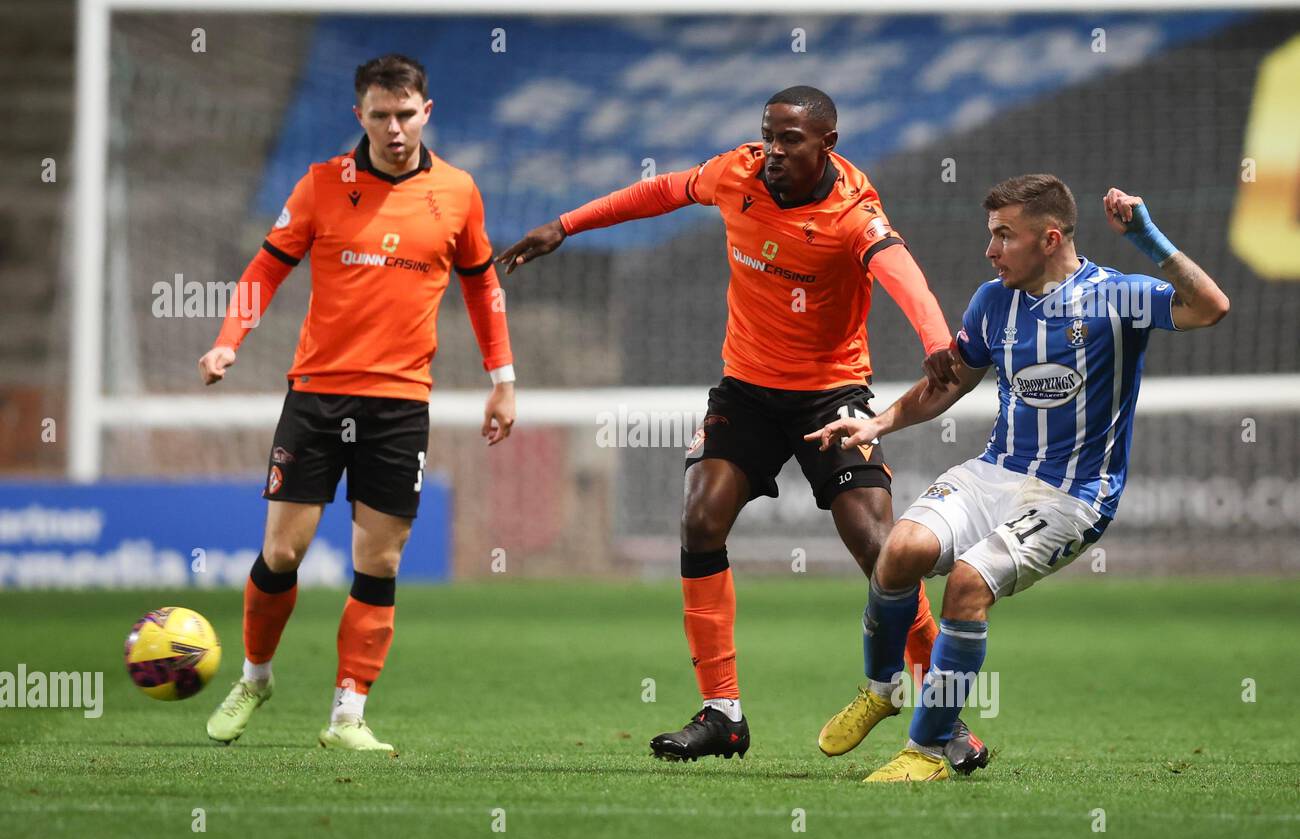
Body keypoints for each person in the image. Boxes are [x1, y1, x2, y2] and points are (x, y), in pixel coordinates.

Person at [499, 86, 987, 767]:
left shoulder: (853, 212)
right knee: (701, 519)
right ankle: (723, 712)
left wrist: (937, 338)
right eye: (770, 135)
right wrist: (566, 224)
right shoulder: (737, 173)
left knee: (881, 548)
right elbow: (662, 192)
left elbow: (899, 270)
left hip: (831, 395)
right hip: (747, 391)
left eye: (792, 140)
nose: (775, 153)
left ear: (828, 146)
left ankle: (943, 716)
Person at [806, 175, 1229, 781]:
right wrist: (878, 424)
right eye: (991, 234)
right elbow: (949, 381)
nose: (991, 249)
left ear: (1050, 238)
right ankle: (881, 688)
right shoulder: (992, 300)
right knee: (899, 552)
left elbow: (1211, 307)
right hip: (995, 471)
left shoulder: (1118, 298)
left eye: (1004, 235)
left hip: (1073, 496)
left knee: (967, 585)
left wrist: (1147, 236)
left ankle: (926, 751)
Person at [196, 54, 517, 751]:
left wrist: (504, 378)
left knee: (380, 563)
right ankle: (255, 677)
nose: (395, 128)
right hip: (316, 394)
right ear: (359, 116)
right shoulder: (320, 186)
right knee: (283, 552)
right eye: (381, 115)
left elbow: (482, 287)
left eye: (406, 114)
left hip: (399, 405)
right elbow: (266, 267)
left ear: (426, 111)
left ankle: (348, 714)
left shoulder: (459, 192)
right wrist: (229, 341)